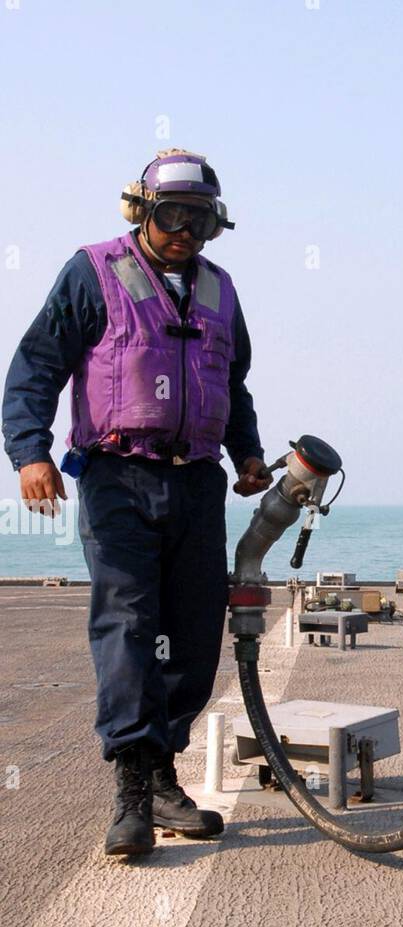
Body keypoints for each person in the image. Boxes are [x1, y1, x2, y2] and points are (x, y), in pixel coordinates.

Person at [3, 149, 270, 857]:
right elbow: (35, 366)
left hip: (197, 483)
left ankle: (161, 770)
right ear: (141, 211)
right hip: (118, 479)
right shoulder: (93, 271)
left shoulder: (220, 290)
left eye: (201, 221)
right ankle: (130, 787)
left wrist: (247, 452)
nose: (184, 231)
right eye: (171, 215)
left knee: (191, 631)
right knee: (127, 622)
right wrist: (30, 453)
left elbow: (232, 383)